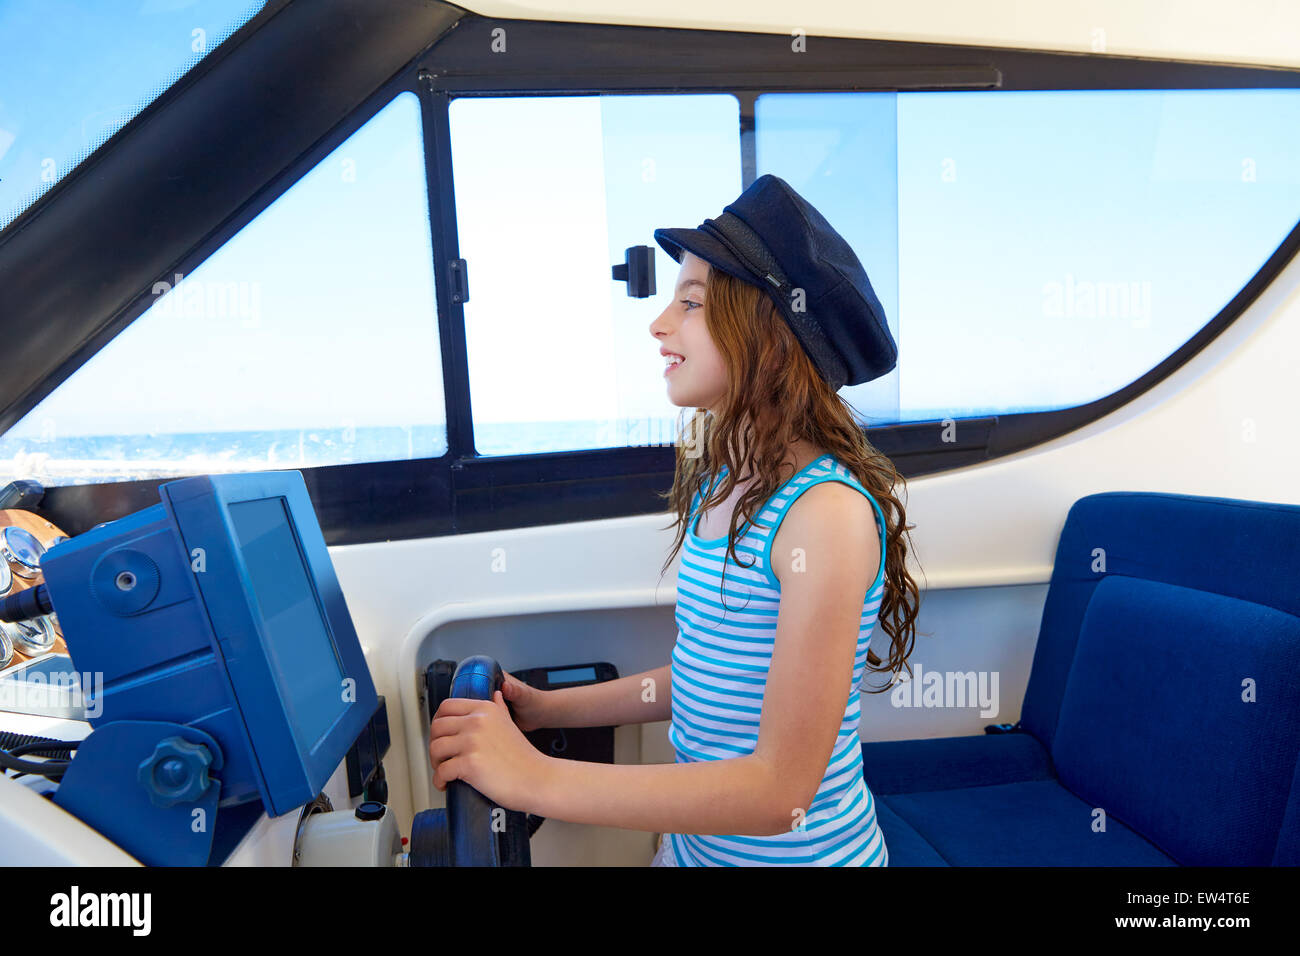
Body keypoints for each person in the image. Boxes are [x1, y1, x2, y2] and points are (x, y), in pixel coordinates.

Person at [428, 174, 922, 866]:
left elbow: (781, 792)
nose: (659, 324)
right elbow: (704, 676)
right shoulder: (726, 485)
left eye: (691, 303)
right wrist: (546, 711)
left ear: (771, 335)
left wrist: (535, 778)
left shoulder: (826, 517)